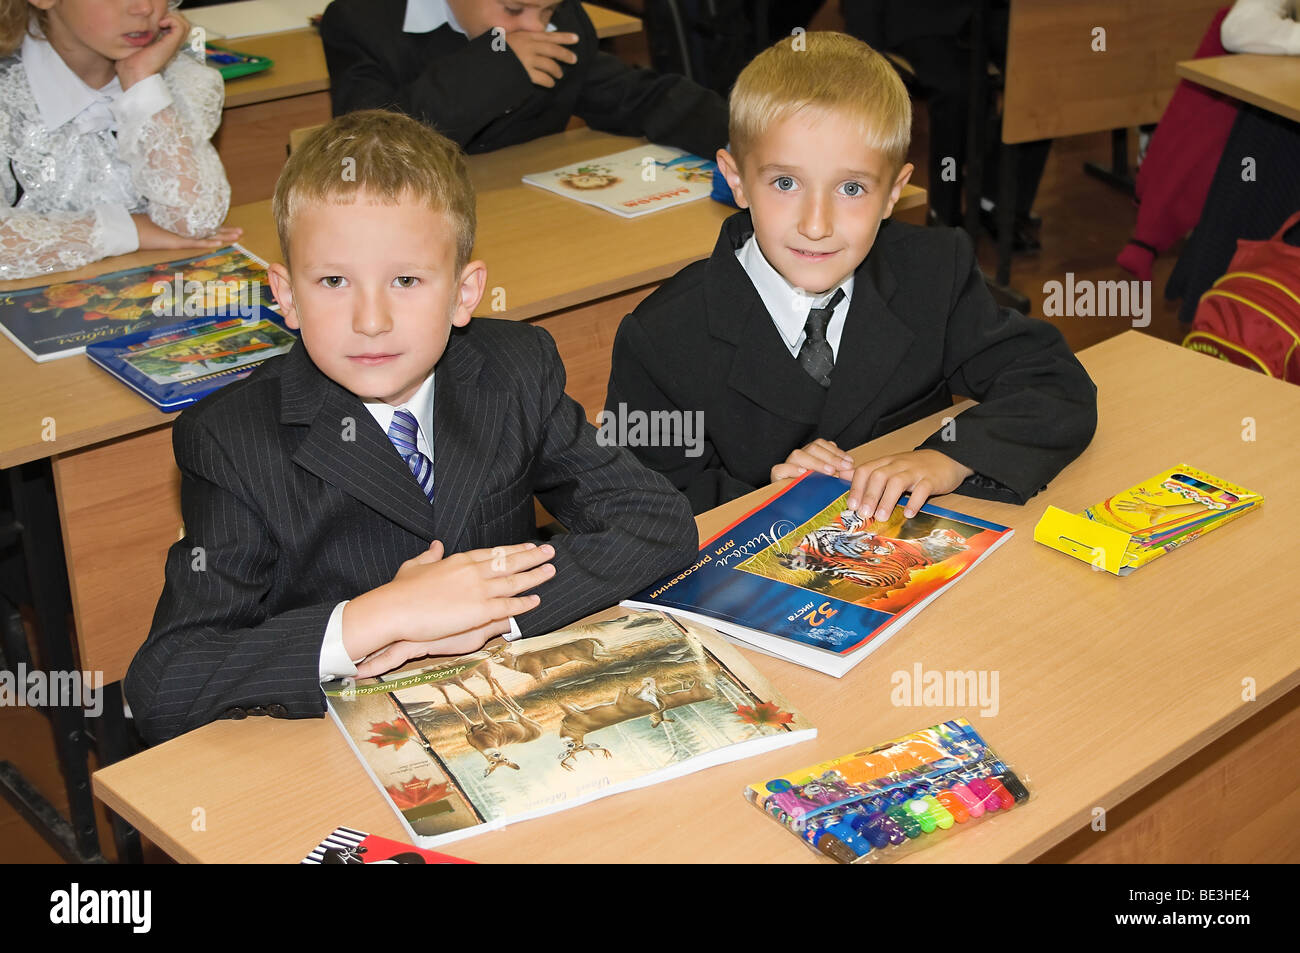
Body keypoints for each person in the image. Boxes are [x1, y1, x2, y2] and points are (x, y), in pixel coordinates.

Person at [125, 108, 697, 745]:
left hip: (505, 708)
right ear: (286, 296)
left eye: (406, 280)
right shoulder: (231, 439)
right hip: (335, 743)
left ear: (463, 292)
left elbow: (655, 522)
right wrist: (381, 617)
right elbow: (165, 685)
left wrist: (488, 615)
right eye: (334, 281)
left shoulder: (512, 371)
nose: (372, 319)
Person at [605, 32, 1096, 518]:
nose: (815, 225)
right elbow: (635, 501)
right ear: (736, 179)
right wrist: (762, 499)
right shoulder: (663, 335)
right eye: (785, 182)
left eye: (852, 188)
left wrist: (948, 457)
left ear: (894, 193)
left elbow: (1051, 382)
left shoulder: (933, 271)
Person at [0, 0, 238, 280]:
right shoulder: (10, 93)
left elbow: (195, 221)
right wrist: (130, 230)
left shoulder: (179, 78)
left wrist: (141, 83)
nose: (144, 8)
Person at [319, 0, 728, 157]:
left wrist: (746, 135)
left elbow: (635, 97)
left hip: (523, 222)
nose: (536, 28)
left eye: (548, 11)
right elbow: (367, 149)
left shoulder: (558, 21)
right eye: (514, 9)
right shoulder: (361, 23)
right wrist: (494, 67)